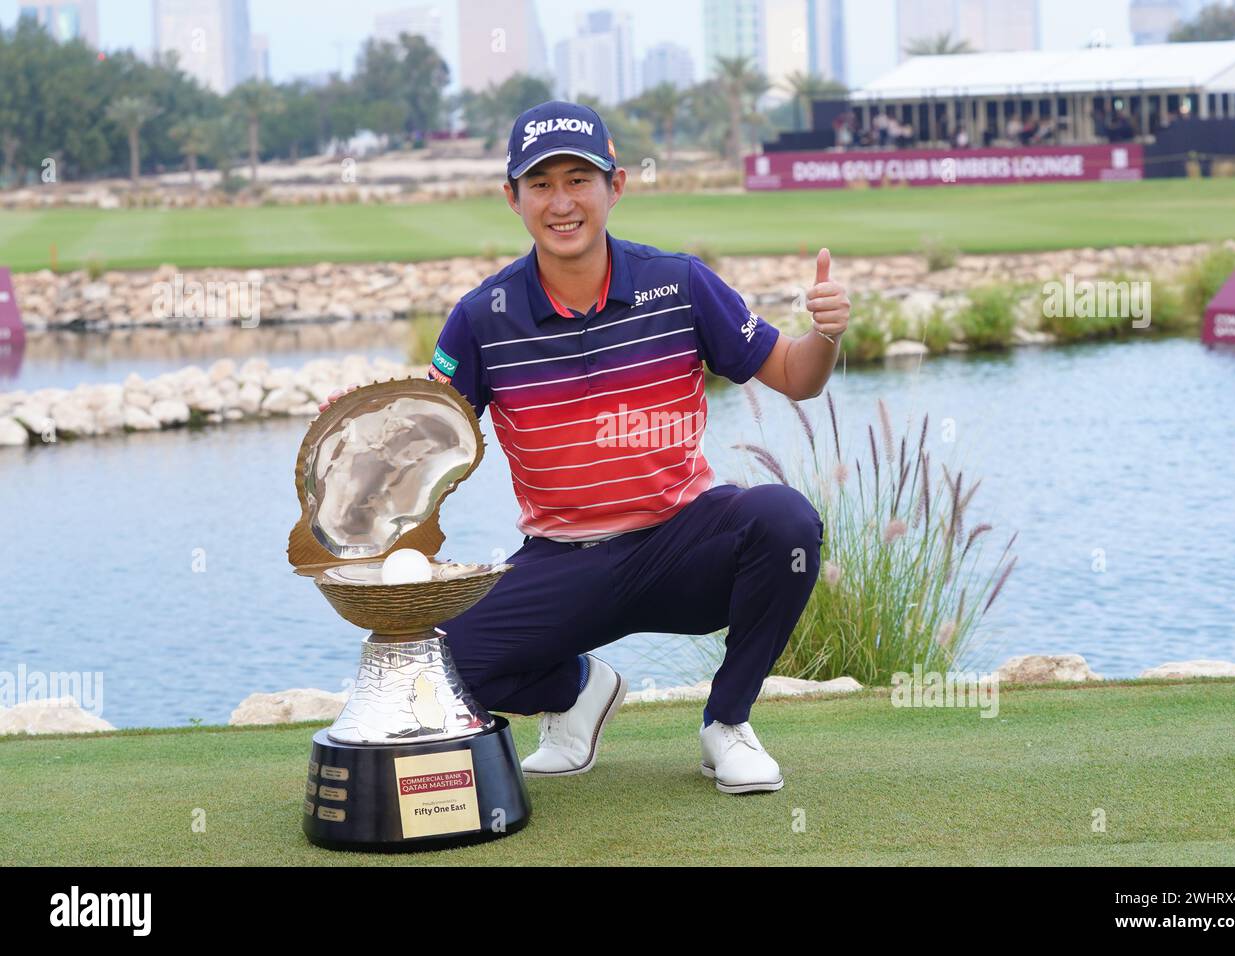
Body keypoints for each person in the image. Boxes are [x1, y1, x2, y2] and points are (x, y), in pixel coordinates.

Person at [321, 101, 850, 795]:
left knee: (786, 523)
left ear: (616, 186)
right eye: (540, 184)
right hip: (562, 560)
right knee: (446, 669)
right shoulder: (484, 317)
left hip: (681, 545)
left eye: (579, 179)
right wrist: (360, 434)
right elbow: (426, 441)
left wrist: (827, 337)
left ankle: (726, 725)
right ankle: (577, 691)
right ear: (512, 197)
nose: (561, 202)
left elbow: (796, 377)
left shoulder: (680, 284)